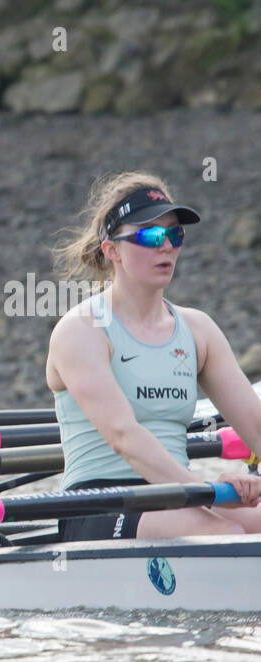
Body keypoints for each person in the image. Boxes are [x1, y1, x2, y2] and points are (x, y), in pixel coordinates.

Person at [47, 172, 261, 540]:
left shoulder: (198, 330)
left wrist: (208, 495)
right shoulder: (81, 330)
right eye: (150, 235)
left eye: (175, 235)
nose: (167, 247)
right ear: (111, 249)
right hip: (101, 504)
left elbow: (256, 429)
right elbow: (124, 436)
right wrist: (208, 494)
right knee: (225, 533)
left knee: (229, 527)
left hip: (179, 498)